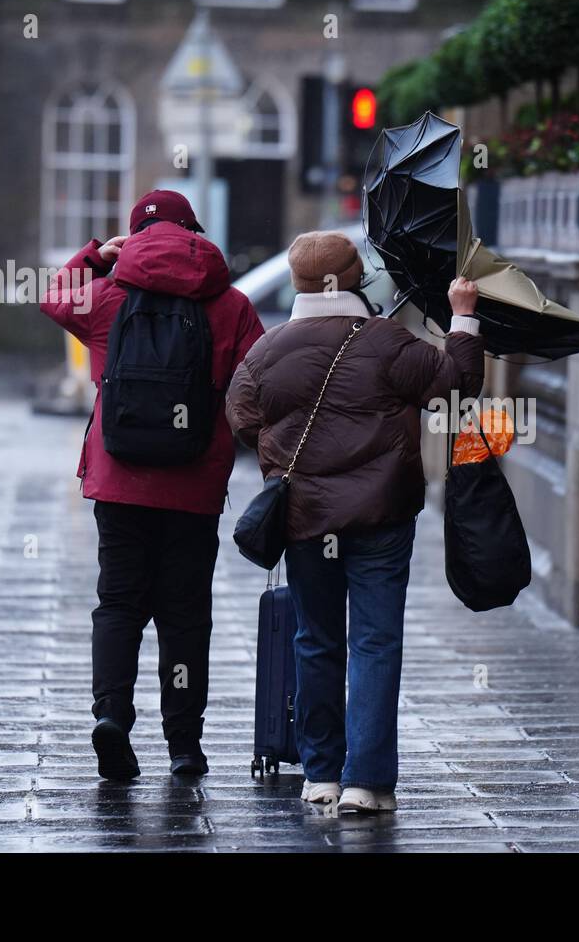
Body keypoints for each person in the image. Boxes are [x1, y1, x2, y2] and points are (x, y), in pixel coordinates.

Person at [226, 231, 484, 813]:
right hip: (381, 516)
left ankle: (320, 775)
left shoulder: (268, 351)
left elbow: (242, 417)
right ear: (353, 280)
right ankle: (366, 782)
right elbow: (455, 387)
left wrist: (287, 456)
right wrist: (463, 319)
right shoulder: (387, 342)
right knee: (375, 641)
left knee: (315, 641)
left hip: (306, 518)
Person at [40, 190, 263, 781]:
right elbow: (258, 384)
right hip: (193, 487)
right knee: (186, 614)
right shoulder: (232, 304)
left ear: (133, 238)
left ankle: (112, 715)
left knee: (118, 603)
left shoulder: (110, 295)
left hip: (119, 481)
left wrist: (96, 255)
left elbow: (52, 298)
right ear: (194, 233)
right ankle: (184, 744)